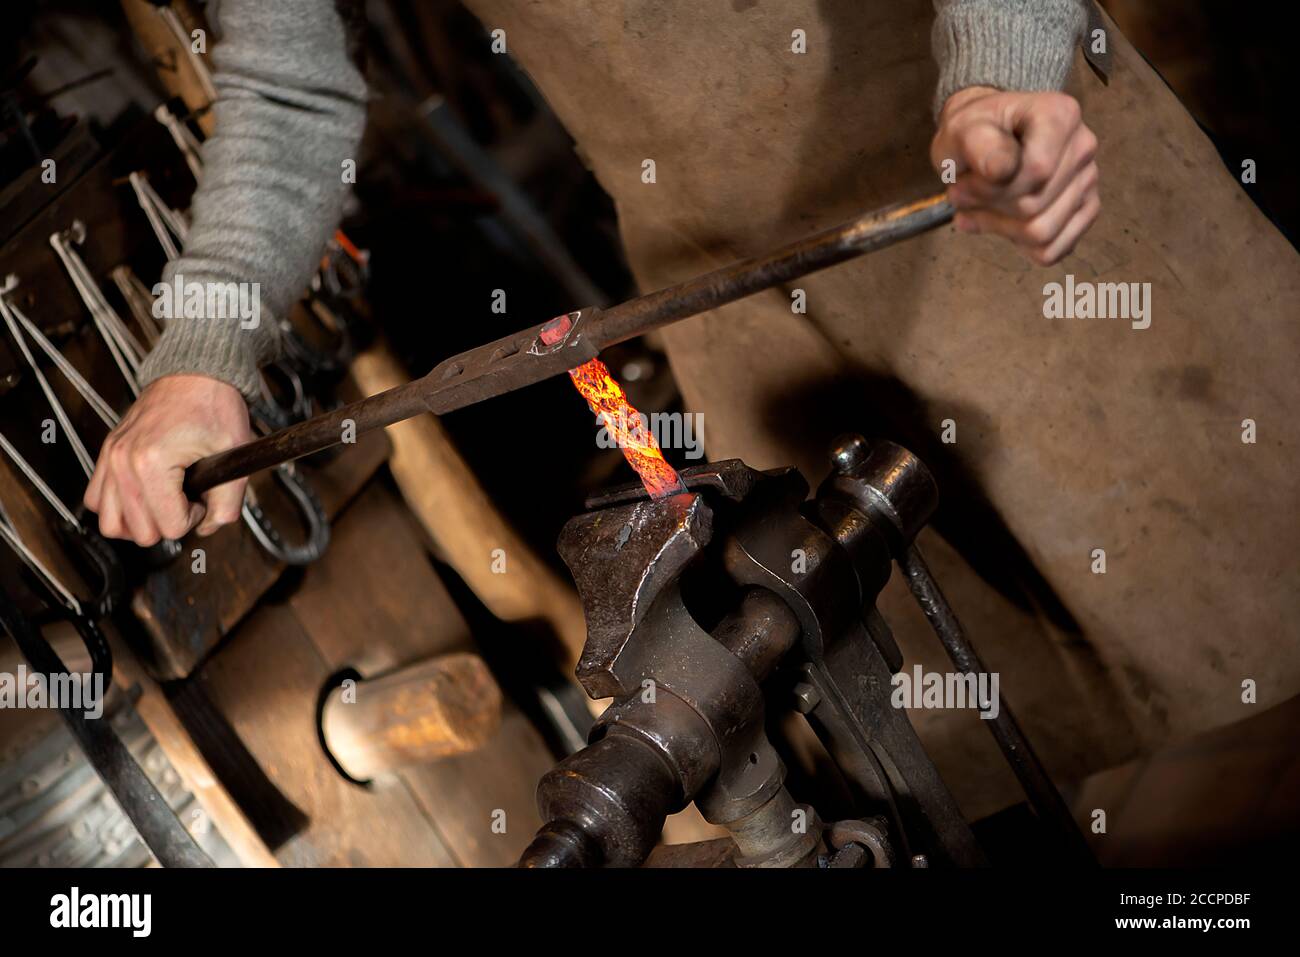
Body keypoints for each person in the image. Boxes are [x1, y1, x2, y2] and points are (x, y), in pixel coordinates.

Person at [84, 0, 1300, 814]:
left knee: (1254, 640)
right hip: (740, 305)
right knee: (1012, 778)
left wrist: (1002, 62)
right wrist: (203, 358)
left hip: (1016, 198)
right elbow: (288, 95)